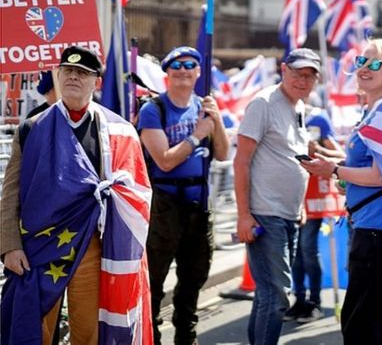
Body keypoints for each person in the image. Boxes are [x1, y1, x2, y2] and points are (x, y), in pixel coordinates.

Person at [1, 47, 152, 344]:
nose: (73, 77)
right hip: (38, 247)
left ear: (95, 81)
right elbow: (11, 193)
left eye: (82, 73)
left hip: (91, 245)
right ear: (57, 75)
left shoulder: (117, 131)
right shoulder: (32, 127)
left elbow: (137, 189)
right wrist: (8, 246)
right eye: (67, 71)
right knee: (35, 328)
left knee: (88, 331)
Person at [301, 39, 382, 344]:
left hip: (377, 232)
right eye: (362, 61)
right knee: (372, 321)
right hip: (370, 228)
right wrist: (336, 164)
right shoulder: (375, 110)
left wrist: (334, 171)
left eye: (375, 63)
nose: (364, 68)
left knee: (362, 325)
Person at [139, 46, 230, 344]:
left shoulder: (204, 107)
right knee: (154, 278)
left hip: (199, 204)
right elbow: (164, 159)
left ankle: (185, 336)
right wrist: (196, 135)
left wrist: (215, 121)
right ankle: (150, 335)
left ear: (198, 71)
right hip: (165, 205)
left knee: (194, 277)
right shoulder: (154, 110)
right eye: (176, 65)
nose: (183, 69)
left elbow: (222, 152)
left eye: (190, 64)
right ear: (167, 72)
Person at [233, 48, 321, 345]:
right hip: (265, 214)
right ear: (284, 70)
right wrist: (244, 214)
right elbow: (241, 161)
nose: (303, 80)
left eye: (310, 75)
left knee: (268, 294)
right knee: (277, 296)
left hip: (288, 214)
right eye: (298, 73)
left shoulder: (297, 106)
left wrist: (300, 205)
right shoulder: (264, 103)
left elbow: (289, 157)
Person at [285, 100, 339, 324]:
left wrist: (317, 150)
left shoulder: (318, 117)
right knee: (295, 252)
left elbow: (338, 153)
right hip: (290, 193)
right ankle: (298, 299)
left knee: (307, 248)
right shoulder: (280, 113)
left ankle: (314, 302)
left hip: (314, 196)